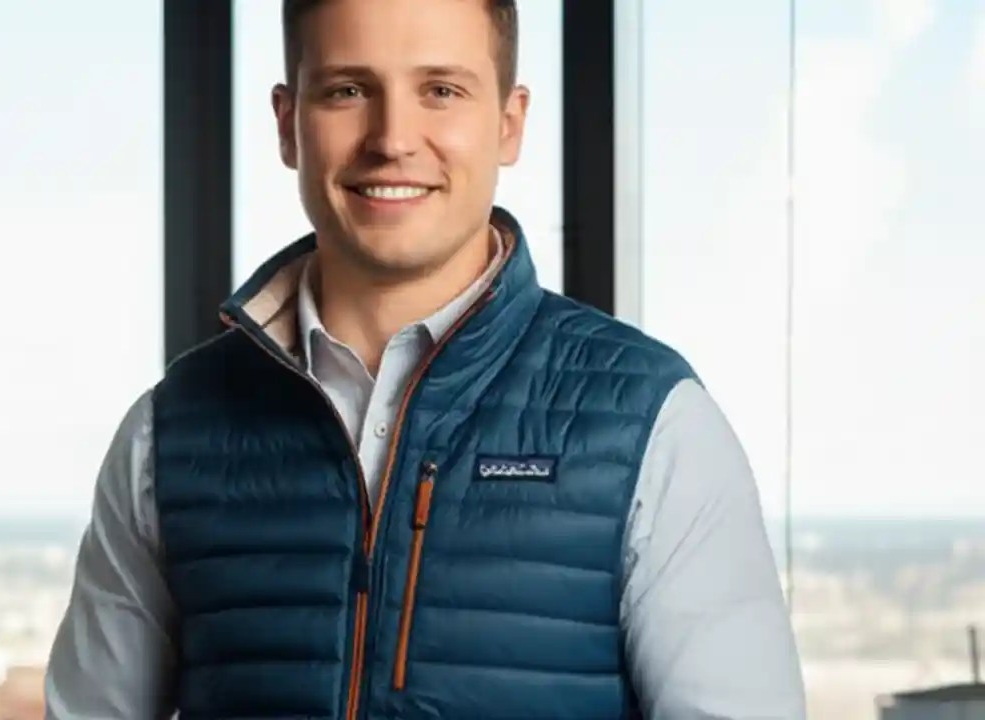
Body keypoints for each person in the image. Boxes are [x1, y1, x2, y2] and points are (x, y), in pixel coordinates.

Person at [44, 0, 806, 717]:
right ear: (287, 124)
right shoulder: (168, 433)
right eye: (347, 90)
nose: (393, 138)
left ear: (509, 124)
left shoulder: (653, 423)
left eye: (441, 90)